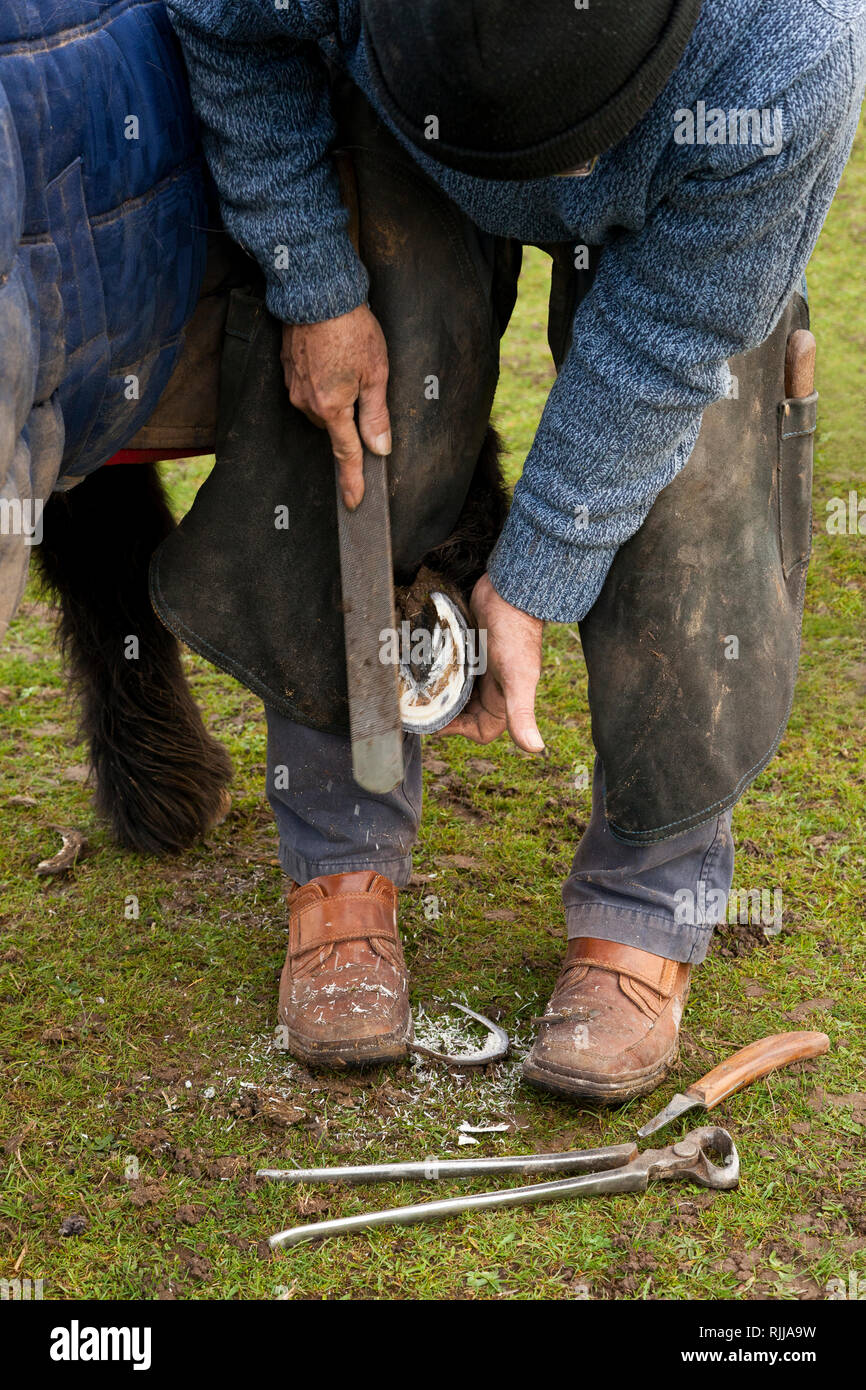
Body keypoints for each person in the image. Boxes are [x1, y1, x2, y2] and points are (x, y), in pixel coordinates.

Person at [158, 0, 866, 1098]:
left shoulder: (787, 43)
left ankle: (647, 898)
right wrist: (315, 290)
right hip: (400, 124)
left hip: (689, 153)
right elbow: (223, 24)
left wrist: (531, 579)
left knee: (692, 471)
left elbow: (664, 341)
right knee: (358, 411)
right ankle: (341, 859)